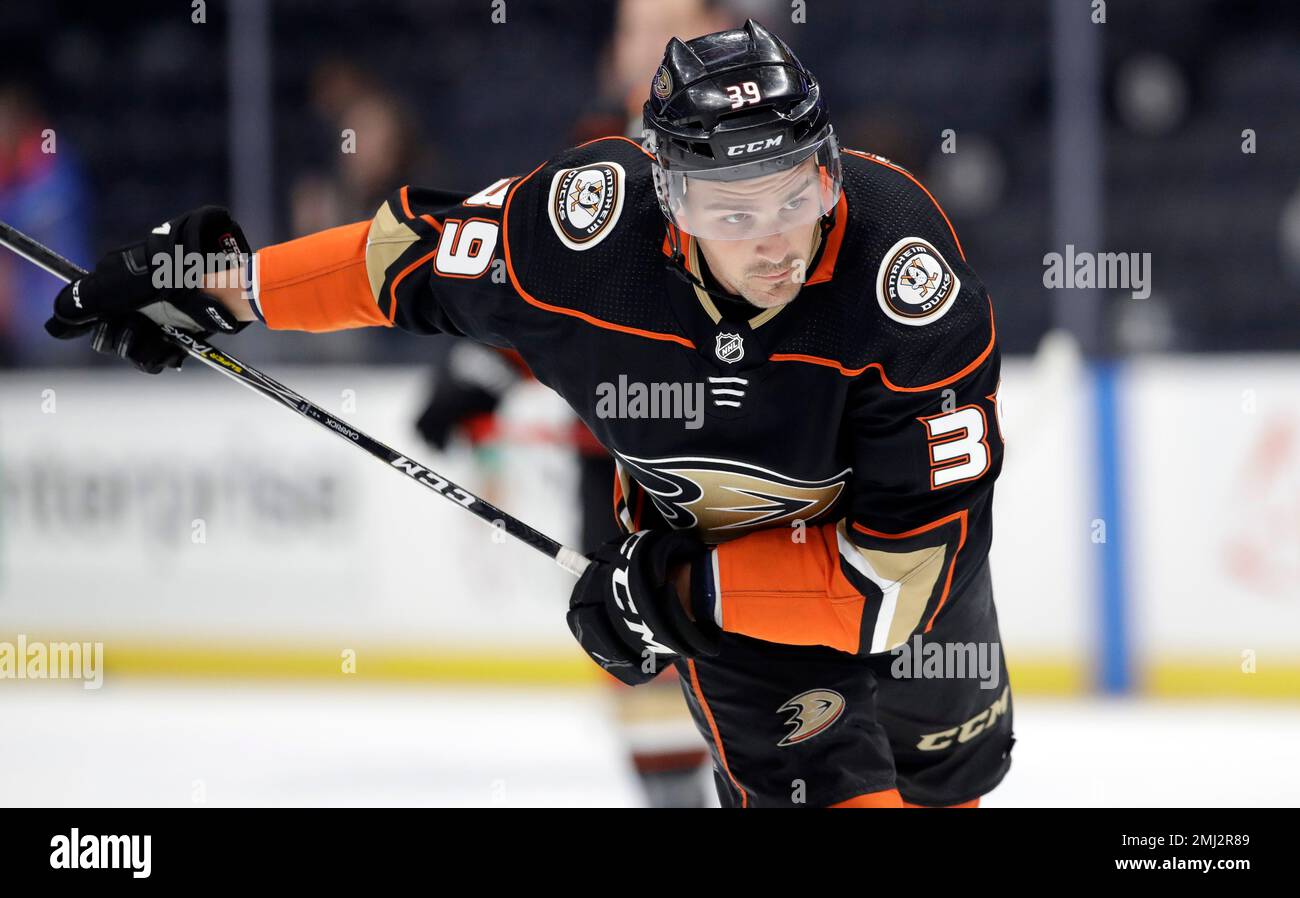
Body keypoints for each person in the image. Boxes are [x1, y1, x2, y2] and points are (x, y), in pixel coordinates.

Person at [43, 20, 1014, 808]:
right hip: (733, 611)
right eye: (731, 209)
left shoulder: (902, 281)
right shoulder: (583, 230)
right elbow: (404, 260)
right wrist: (222, 286)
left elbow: (899, 581)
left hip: (896, 595)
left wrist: (671, 595)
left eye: (793, 193)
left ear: (828, 169)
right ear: (670, 199)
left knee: (949, 789)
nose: (772, 243)